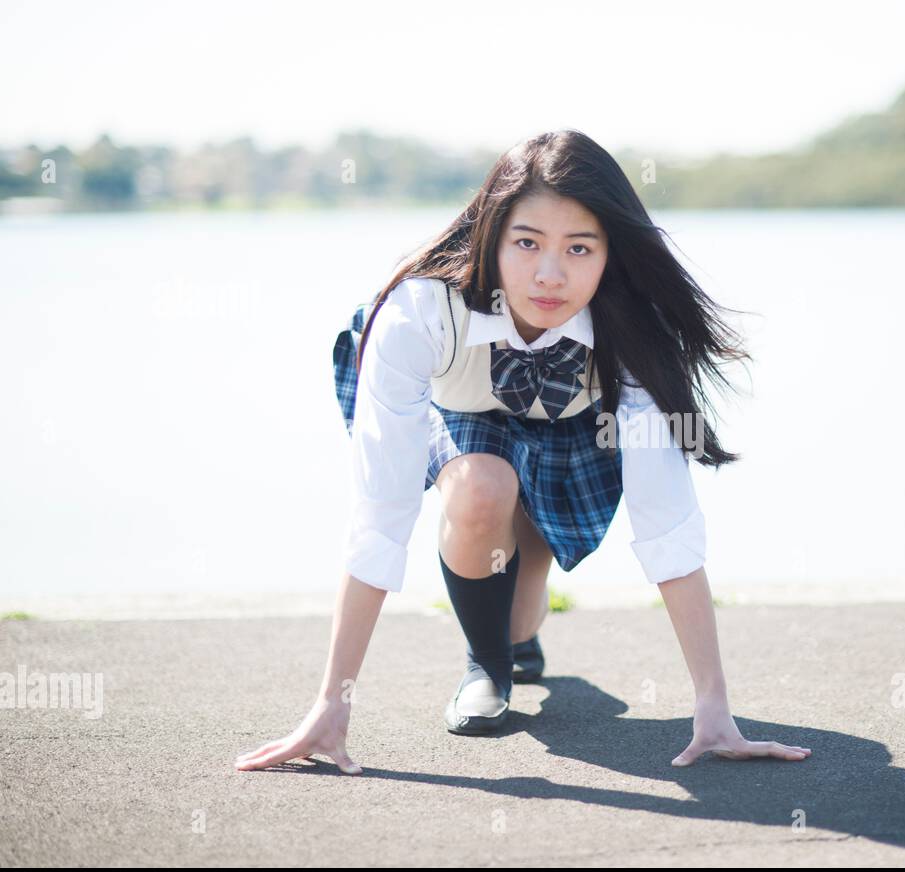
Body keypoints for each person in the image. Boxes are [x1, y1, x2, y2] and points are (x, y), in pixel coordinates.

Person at [235, 129, 811, 774]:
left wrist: (714, 708)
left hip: (577, 423)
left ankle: (517, 623)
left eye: (579, 248)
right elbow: (381, 512)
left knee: (522, 590)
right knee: (483, 488)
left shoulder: (639, 330)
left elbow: (666, 517)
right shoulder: (419, 311)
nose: (549, 274)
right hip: (462, 408)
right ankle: (489, 667)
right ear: (492, 235)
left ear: (609, 255)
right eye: (528, 243)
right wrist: (330, 703)